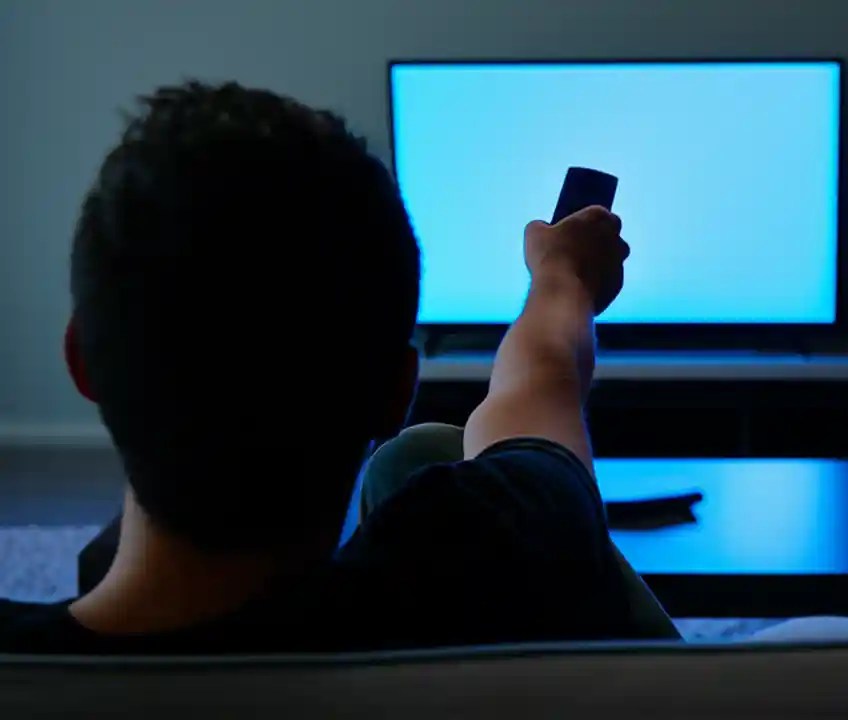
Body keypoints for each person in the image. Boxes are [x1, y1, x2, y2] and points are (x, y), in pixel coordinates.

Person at [0, 81, 674, 653]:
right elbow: (539, 382)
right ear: (398, 392)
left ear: (82, 363)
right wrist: (561, 276)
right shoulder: (503, 546)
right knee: (427, 454)